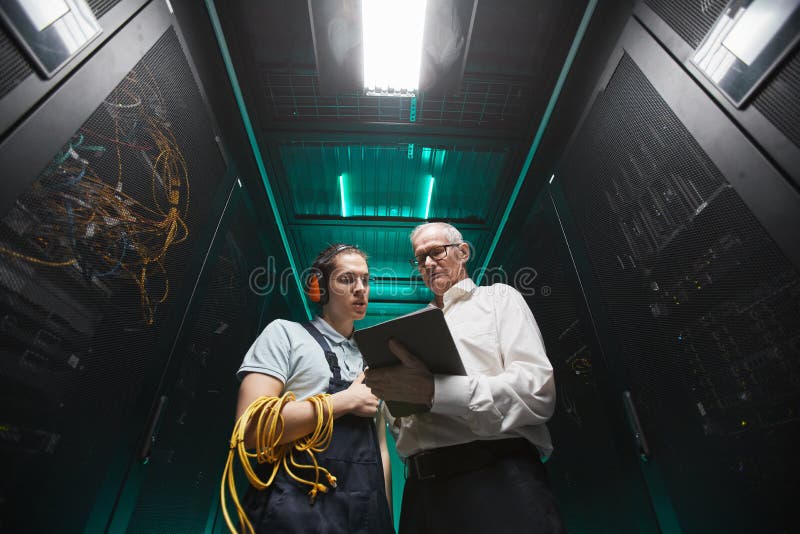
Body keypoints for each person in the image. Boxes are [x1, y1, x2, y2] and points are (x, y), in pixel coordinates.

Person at [365, 222, 564, 533]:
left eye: (436, 252)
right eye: (420, 259)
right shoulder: (409, 330)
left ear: (463, 252)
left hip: (496, 482)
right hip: (422, 496)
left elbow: (538, 391)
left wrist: (436, 391)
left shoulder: (498, 299)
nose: (428, 264)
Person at [230, 244, 394, 534]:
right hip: (295, 507)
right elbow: (251, 430)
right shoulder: (285, 334)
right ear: (319, 288)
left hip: (365, 514)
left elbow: (380, 448)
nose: (361, 289)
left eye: (366, 280)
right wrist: (343, 402)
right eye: (347, 279)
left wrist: (386, 517)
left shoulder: (372, 357)